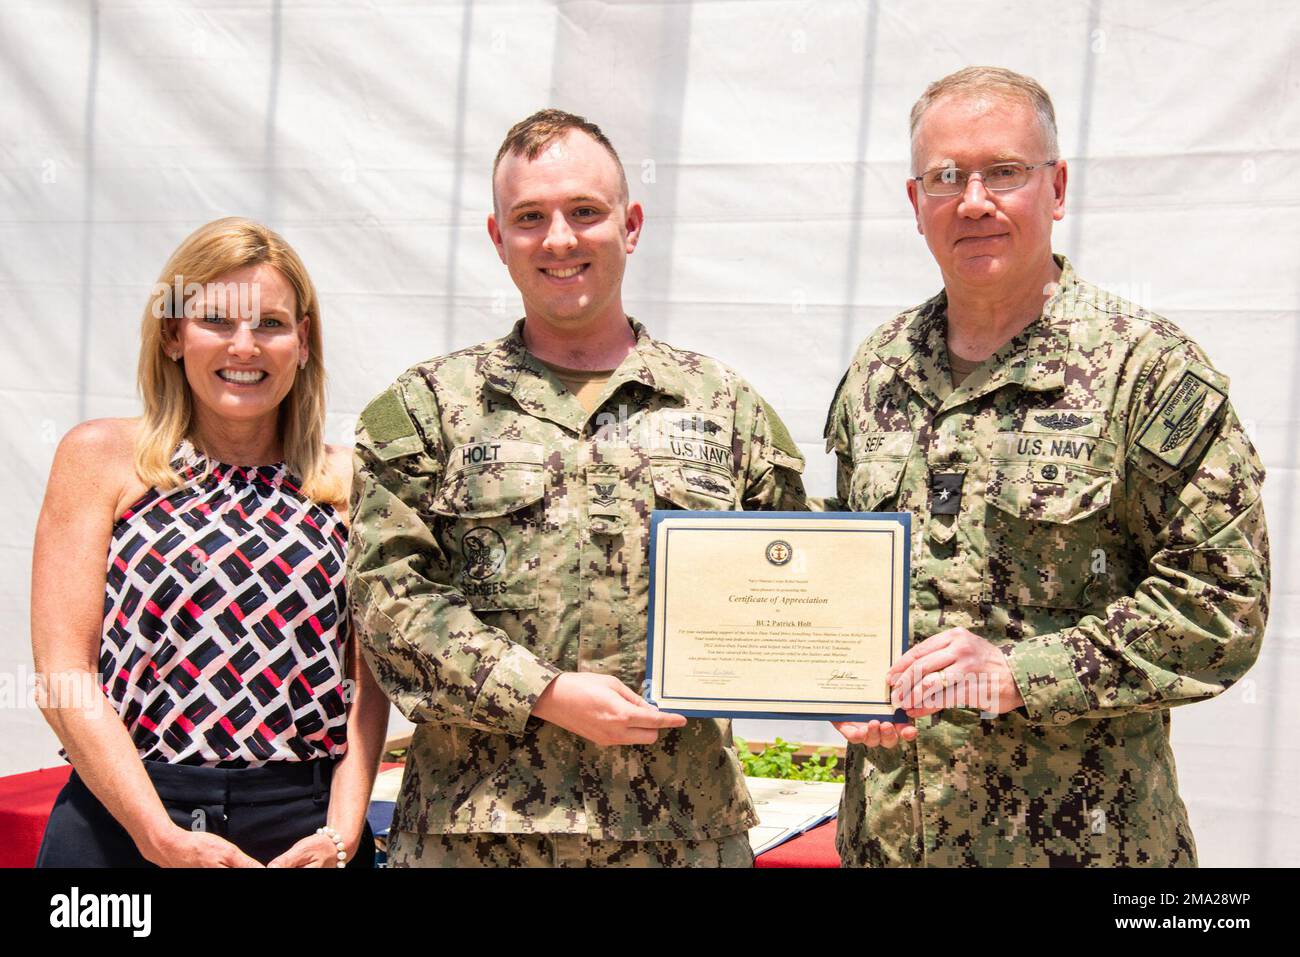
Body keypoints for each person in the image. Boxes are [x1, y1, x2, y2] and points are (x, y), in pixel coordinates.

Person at [826, 67, 1269, 867]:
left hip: (1082, 846)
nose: (973, 200)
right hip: (891, 844)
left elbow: (1223, 606)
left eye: (1004, 171)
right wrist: (835, 679)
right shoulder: (877, 371)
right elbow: (852, 581)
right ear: (915, 202)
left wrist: (1020, 672)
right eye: (945, 177)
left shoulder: (1148, 371)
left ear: (1056, 188)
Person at [348, 109, 808, 867]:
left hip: (679, 830)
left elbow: (799, 577)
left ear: (629, 225)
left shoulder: (724, 405)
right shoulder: (429, 407)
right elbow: (387, 606)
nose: (559, 238)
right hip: (477, 832)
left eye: (584, 212)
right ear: (499, 239)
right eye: (530, 217)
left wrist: (850, 688)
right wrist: (542, 691)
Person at [32, 217, 388, 867]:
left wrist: (342, 830)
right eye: (218, 321)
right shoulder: (99, 460)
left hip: (304, 834)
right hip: (123, 822)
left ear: (303, 342)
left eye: (271, 324)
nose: (245, 346)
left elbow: (371, 685)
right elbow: (63, 676)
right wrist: (157, 835)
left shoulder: (349, 483)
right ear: (173, 335)